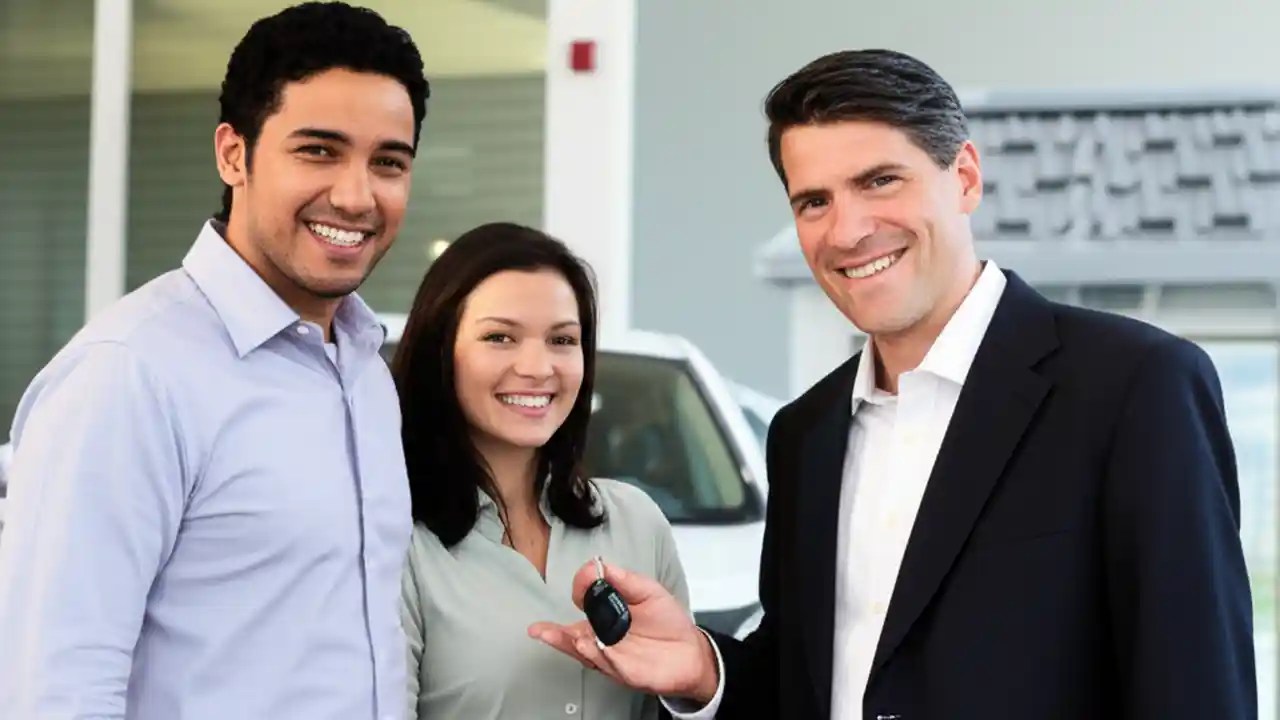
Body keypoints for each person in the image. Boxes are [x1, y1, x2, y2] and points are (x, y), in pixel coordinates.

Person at [530, 49, 1257, 718]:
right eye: (813, 201)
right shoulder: (804, 433)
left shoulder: (1134, 386)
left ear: (965, 176)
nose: (846, 231)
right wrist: (704, 670)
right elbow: (813, 683)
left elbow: (1197, 687)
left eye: (879, 181)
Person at [0, 3, 429, 718]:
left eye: (388, 162)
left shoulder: (364, 370)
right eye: (318, 150)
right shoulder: (129, 375)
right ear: (234, 153)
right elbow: (51, 689)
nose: (357, 196)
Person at [394, 222, 691, 719]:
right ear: (440, 350)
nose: (537, 367)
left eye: (562, 339)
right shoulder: (395, 543)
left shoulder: (637, 523)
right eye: (500, 337)